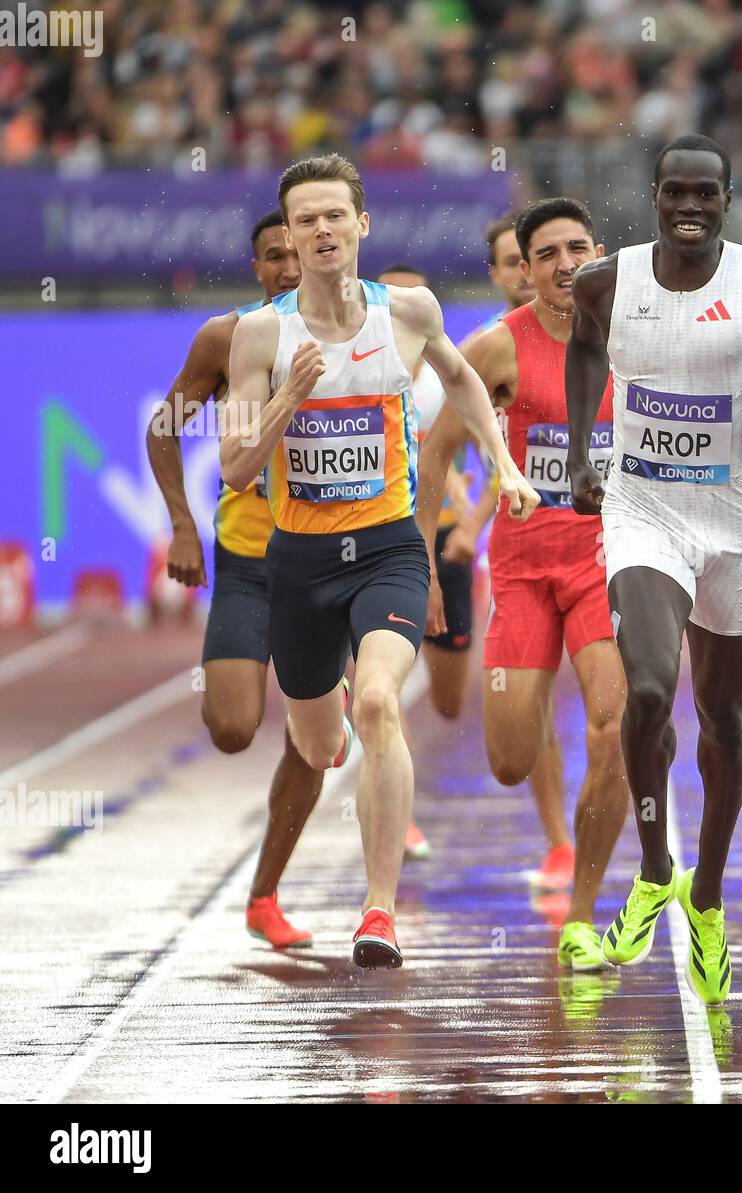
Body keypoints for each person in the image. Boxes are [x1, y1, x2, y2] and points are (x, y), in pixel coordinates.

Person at [220, 153, 538, 968]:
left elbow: (465, 383)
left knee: (378, 703)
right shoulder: (261, 334)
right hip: (300, 561)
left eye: (335, 215)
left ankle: (379, 910)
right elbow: (236, 468)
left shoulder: (410, 312)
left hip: (389, 548)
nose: (322, 230)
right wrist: (289, 397)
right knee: (318, 742)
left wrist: (503, 464)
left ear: (361, 224)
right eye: (306, 220)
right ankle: (325, 721)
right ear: (290, 236)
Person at [566, 134, 742, 1003]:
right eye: (677, 192)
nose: (692, 206)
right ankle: (654, 866)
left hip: (733, 521)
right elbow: (584, 348)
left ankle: (706, 893)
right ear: (656, 197)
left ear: (730, 199)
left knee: (724, 717)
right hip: (643, 513)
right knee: (647, 688)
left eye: (708, 192)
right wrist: (583, 453)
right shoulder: (606, 282)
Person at [420, 197, 630, 970]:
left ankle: (583, 911)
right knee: (510, 758)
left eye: (578, 248)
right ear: (525, 270)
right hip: (524, 570)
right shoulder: (496, 348)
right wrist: (424, 563)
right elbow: (435, 450)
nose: (565, 265)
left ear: (599, 254)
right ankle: (537, 716)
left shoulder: (635, 335)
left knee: (613, 728)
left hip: (608, 561)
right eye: (547, 254)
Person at [147, 210, 328, 950]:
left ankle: (264, 895)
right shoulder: (225, 338)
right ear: (256, 268)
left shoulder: (360, 330)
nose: (288, 267)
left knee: (315, 745)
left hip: (329, 562)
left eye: (298, 252)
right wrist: (182, 524)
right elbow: (164, 427)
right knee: (231, 728)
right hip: (250, 562)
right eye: (273, 256)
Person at [375, 261, 495, 863]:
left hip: (443, 545)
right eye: (388, 297)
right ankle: (398, 818)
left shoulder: (449, 375)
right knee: (381, 688)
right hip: (378, 542)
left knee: (448, 702)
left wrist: (469, 510)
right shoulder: (356, 369)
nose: (399, 308)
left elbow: (481, 444)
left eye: (411, 298)